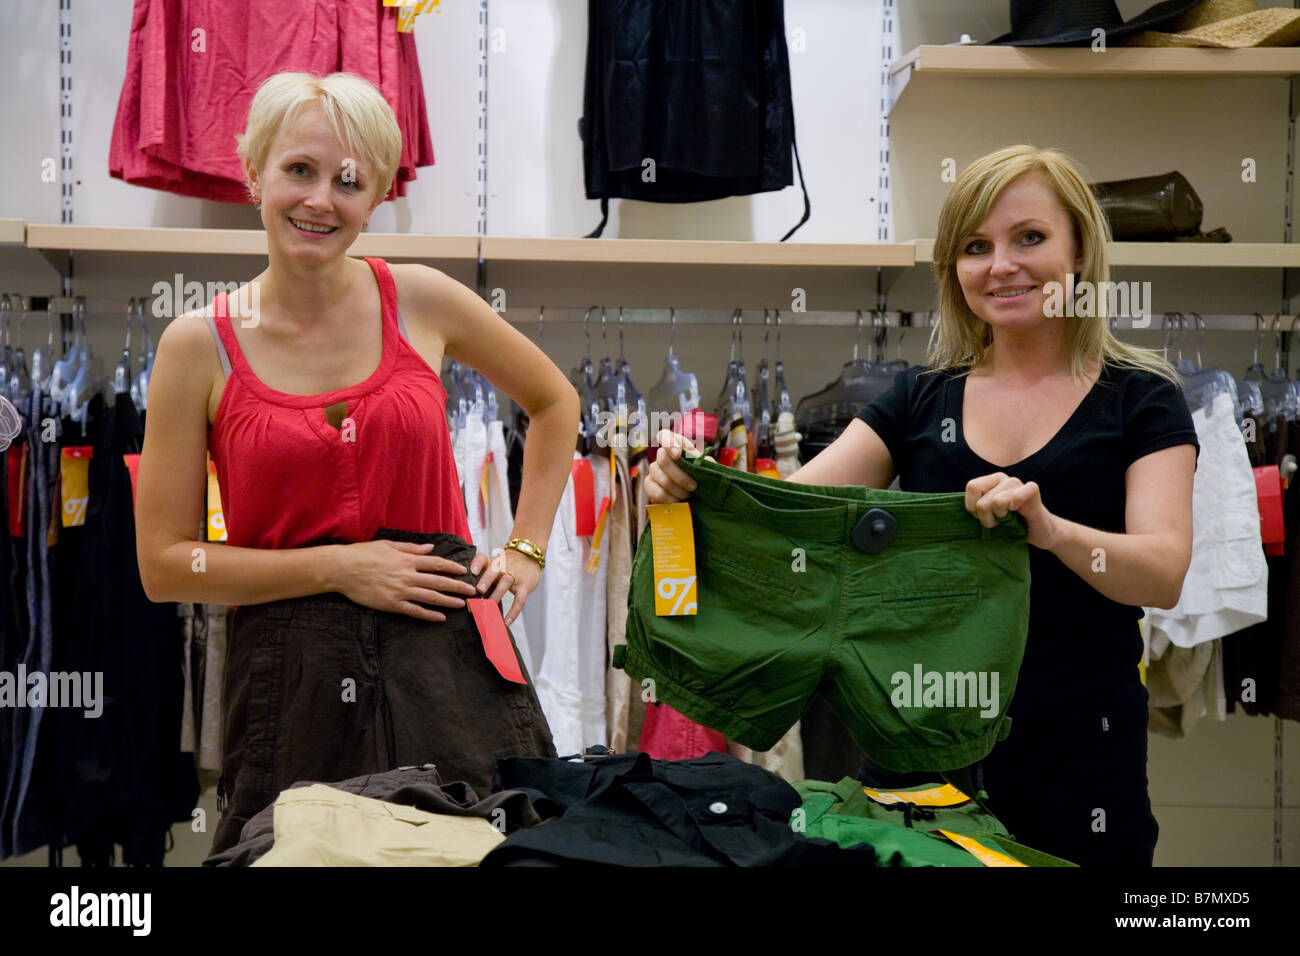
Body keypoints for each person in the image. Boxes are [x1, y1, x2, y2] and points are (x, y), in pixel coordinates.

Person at [647, 144, 1198, 868]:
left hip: (1079, 756)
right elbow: (788, 514)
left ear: (1079, 249)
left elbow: (1163, 573)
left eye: (1029, 237)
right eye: (976, 246)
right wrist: (686, 488)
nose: (1001, 265)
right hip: (917, 755)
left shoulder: (1140, 399)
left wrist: (1052, 530)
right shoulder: (919, 398)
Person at [134, 72, 579, 855]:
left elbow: (554, 403)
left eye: (349, 181)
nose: (320, 200)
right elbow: (168, 566)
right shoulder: (195, 345)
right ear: (254, 174)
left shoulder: (423, 301)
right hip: (290, 672)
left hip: (449, 651)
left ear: (375, 199)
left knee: (487, 852)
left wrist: (528, 547)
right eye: (299, 170)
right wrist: (340, 568)